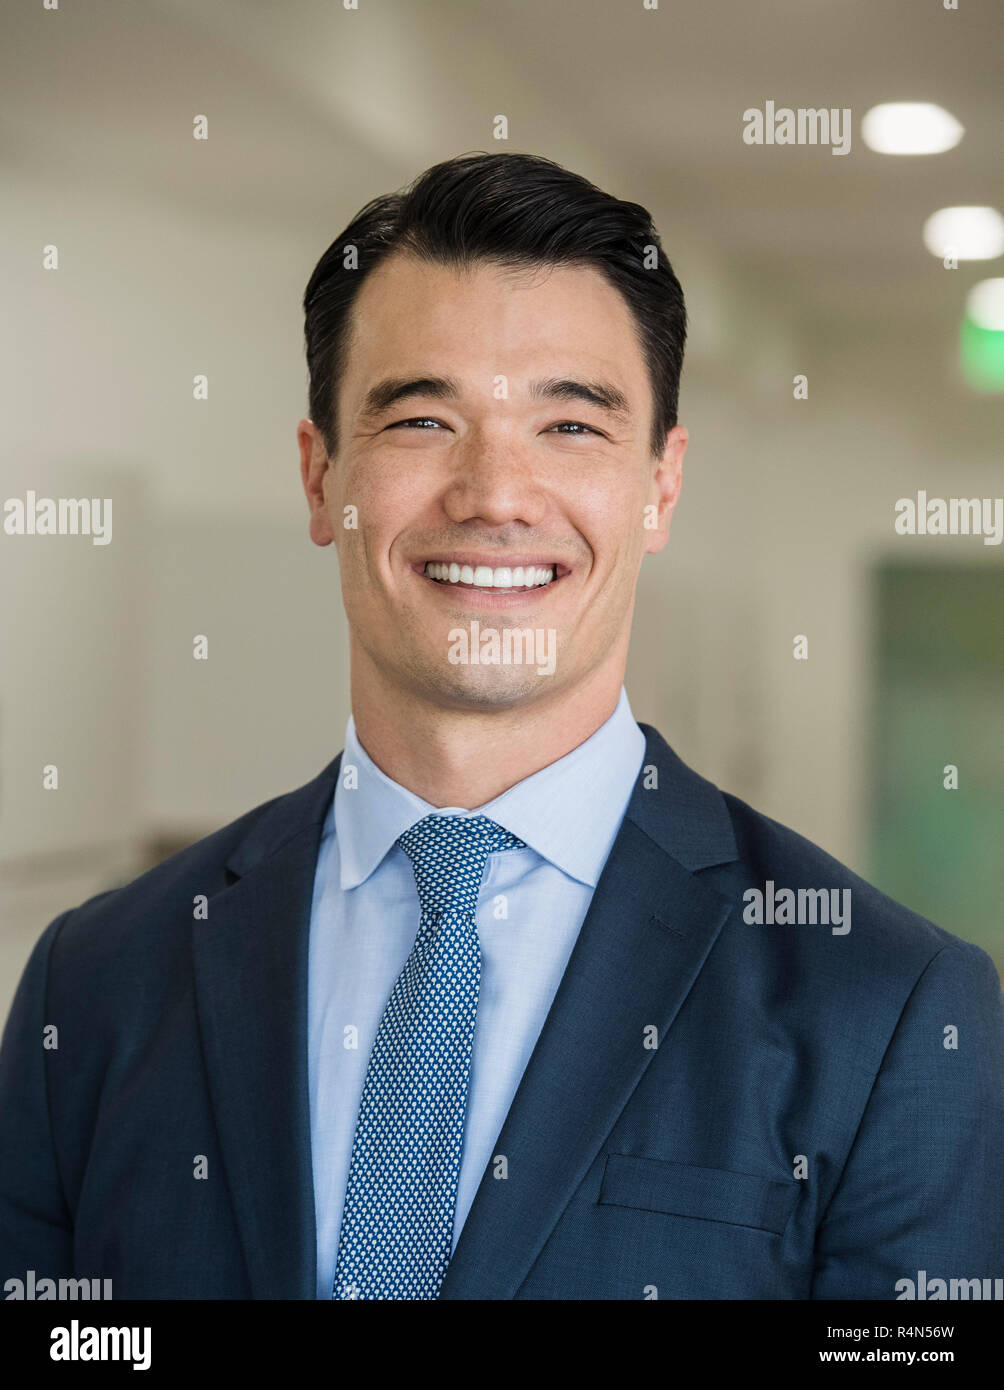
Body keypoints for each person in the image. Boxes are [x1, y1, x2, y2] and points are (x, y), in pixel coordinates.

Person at [1, 153, 1001, 1301]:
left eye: (569, 427)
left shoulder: (882, 1005)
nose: (493, 494)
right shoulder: (98, 980)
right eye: (423, 417)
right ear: (320, 474)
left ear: (659, 487)